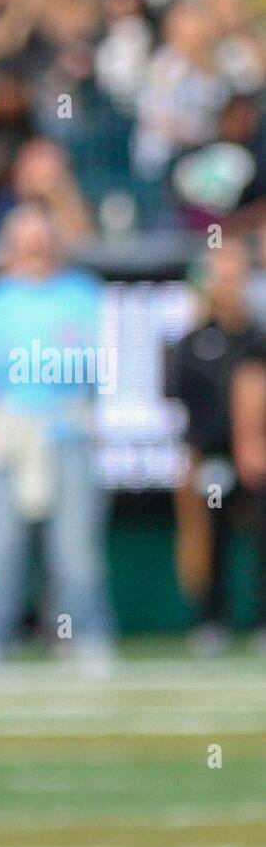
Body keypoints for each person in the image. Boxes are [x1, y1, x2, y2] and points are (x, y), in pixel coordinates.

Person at [0, 204, 116, 667]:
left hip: (68, 429)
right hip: (10, 433)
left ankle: (86, 636)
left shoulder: (81, 292)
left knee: (75, 547)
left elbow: (91, 362)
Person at [169, 237, 266, 651]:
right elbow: (180, 400)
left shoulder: (256, 337)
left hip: (259, 455)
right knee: (210, 537)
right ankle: (211, 620)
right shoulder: (192, 342)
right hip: (210, 455)